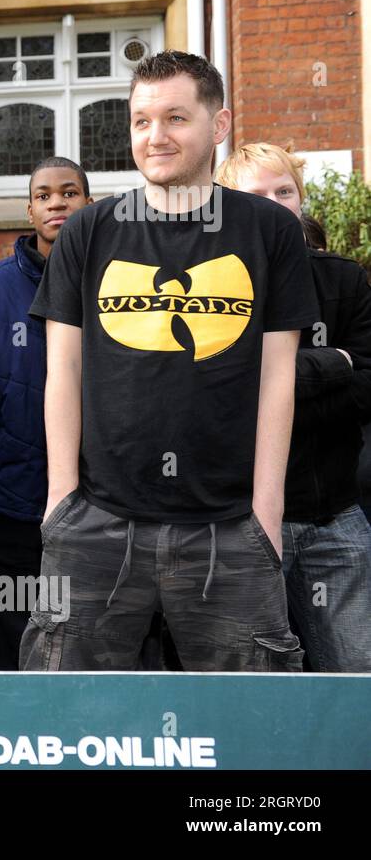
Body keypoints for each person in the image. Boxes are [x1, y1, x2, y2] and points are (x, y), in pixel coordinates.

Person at [26, 51, 318, 672]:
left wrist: (266, 512)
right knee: (67, 719)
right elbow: (64, 372)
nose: (154, 137)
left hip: (232, 526)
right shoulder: (89, 232)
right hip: (97, 524)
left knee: (249, 725)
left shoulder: (269, 232)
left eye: (175, 119)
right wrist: (61, 501)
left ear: (219, 125)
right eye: (140, 121)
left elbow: (278, 379)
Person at [215, 141, 371, 671]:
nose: (275, 203)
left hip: (334, 518)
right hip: (239, 520)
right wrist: (333, 363)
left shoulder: (343, 280)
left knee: (354, 675)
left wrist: (278, 378)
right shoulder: (213, 289)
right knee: (252, 677)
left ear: (301, 199)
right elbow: (219, 387)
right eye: (257, 194)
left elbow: (367, 388)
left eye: (285, 191)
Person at [0, 156, 91, 669]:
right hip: (10, 503)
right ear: (29, 211)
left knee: (94, 629)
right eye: (44, 195)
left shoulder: (114, 283)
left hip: (101, 501)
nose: (57, 203)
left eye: (70, 193)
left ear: (88, 204)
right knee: (16, 632)